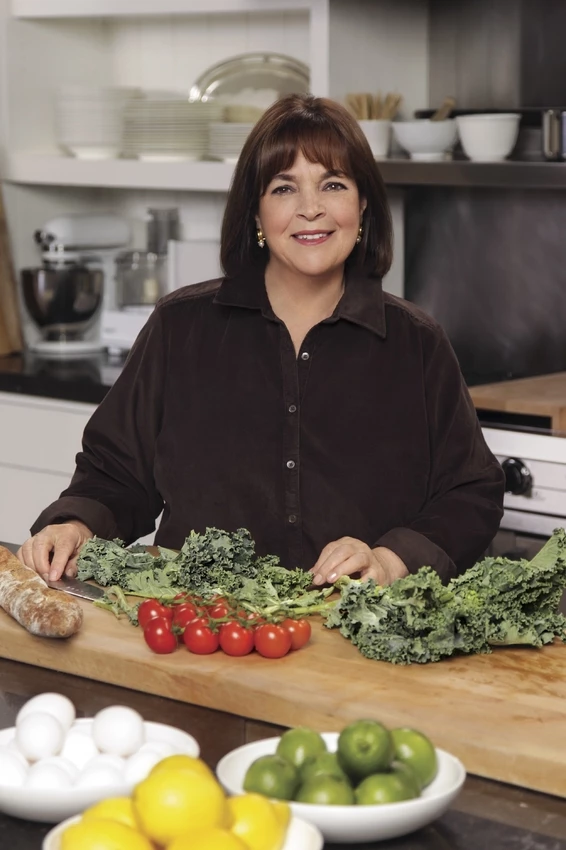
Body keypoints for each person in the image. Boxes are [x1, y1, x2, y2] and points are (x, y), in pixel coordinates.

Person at [17, 94, 504, 588]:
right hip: (200, 620)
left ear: (362, 205)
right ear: (255, 213)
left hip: (353, 627)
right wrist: (75, 525)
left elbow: (470, 493)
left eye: (333, 184)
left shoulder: (416, 343)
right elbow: (117, 474)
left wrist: (390, 559)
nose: (311, 209)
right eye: (284, 188)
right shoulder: (179, 327)